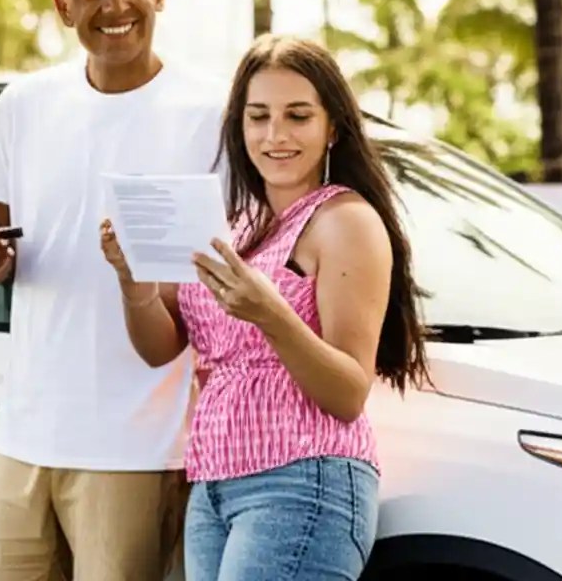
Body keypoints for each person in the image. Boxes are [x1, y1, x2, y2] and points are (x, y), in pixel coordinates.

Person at [0, 0, 227, 581]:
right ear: (62, 4)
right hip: (23, 436)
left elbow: (222, 282)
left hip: (138, 447)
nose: (116, 6)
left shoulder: (211, 114)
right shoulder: (23, 104)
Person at [99, 34, 431, 580]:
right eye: (258, 117)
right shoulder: (233, 226)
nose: (275, 135)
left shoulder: (344, 221)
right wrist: (132, 282)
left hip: (302, 482)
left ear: (332, 128)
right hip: (213, 488)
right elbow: (160, 348)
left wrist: (271, 315)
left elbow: (348, 393)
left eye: (298, 116)